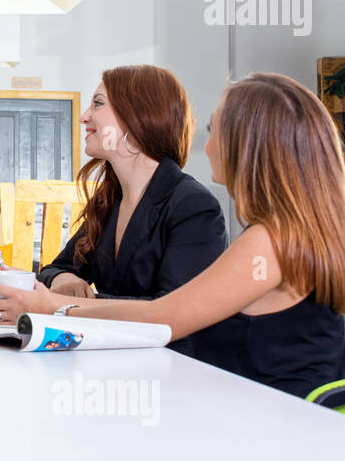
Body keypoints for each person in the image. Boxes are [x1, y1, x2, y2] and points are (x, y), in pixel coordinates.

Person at [0, 73, 345, 398]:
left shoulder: (270, 241)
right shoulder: (288, 234)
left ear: (246, 146)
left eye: (214, 130)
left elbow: (162, 316)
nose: (205, 144)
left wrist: (52, 307)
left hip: (270, 427)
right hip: (259, 415)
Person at [36, 64, 228, 356]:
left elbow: (171, 313)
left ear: (137, 118)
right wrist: (63, 278)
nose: (84, 116)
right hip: (114, 360)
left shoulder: (194, 207)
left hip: (173, 369)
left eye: (98, 104)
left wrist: (64, 306)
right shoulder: (108, 201)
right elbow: (55, 268)